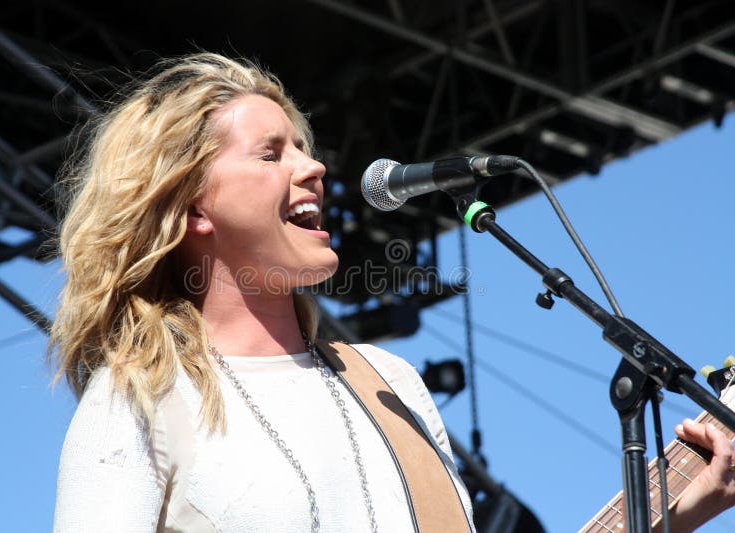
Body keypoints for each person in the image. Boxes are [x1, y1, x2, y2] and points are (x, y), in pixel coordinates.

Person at [50, 53, 735, 533]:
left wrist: (679, 507)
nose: (313, 165)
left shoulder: (390, 386)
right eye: (271, 152)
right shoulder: (138, 403)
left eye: (303, 146)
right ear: (193, 206)